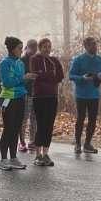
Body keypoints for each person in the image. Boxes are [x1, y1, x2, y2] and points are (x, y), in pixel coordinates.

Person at [0, 36, 36, 171]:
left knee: (16, 129)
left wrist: (29, 79)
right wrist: (23, 77)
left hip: (21, 97)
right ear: (12, 49)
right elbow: (7, 82)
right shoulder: (4, 63)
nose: (21, 51)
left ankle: (13, 158)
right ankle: (3, 159)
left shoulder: (20, 63)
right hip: (8, 98)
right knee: (8, 128)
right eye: (19, 48)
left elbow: (21, 80)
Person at [68, 36, 101, 154]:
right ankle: (77, 144)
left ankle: (87, 144)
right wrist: (82, 78)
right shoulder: (78, 59)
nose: (95, 47)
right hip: (81, 94)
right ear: (86, 46)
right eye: (92, 45)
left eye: (95, 44)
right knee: (80, 118)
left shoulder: (100, 59)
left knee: (92, 119)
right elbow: (71, 75)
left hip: (94, 94)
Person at [29, 37, 64, 166]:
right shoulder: (34, 59)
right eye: (44, 47)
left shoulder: (54, 60)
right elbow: (35, 75)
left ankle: (45, 154)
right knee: (41, 125)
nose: (47, 49)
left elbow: (60, 76)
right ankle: (38, 155)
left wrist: (44, 74)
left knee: (49, 126)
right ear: (40, 48)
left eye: (49, 47)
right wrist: (50, 74)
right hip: (39, 97)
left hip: (52, 97)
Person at [19, 38, 39, 153]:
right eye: (31, 49)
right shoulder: (21, 61)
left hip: (36, 92)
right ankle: (21, 142)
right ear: (26, 48)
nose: (32, 52)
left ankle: (32, 140)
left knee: (34, 118)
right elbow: (19, 77)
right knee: (24, 117)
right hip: (25, 92)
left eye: (34, 50)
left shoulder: (37, 59)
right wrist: (27, 79)